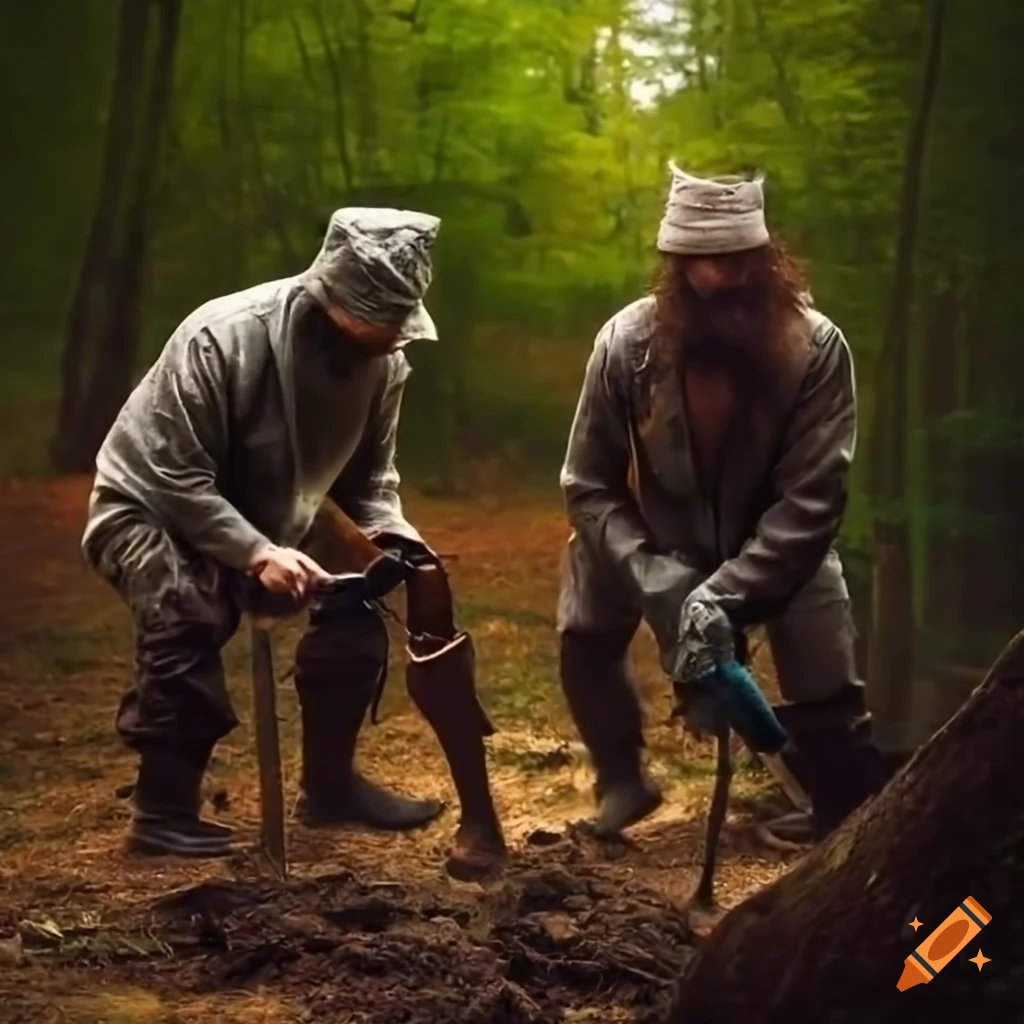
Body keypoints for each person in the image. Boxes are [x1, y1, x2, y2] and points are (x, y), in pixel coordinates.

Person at [82, 208, 506, 880]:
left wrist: (392, 541)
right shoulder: (222, 338)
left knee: (353, 605)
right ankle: (162, 811)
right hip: (149, 509)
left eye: (398, 322)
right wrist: (255, 554)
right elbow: (174, 477)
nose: (391, 338)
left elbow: (370, 483)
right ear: (328, 300)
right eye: (375, 318)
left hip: (288, 514)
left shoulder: (386, 365)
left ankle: (330, 787)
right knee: (187, 604)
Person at [556, 164, 887, 844]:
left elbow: (812, 501)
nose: (722, 278)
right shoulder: (625, 344)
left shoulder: (817, 349)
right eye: (703, 262)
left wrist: (725, 595)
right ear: (676, 266)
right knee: (586, 595)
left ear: (766, 261)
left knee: (819, 621)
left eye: (738, 260)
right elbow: (588, 484)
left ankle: (839, 802)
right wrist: (661, 581)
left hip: (775, 548)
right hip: (656, 542)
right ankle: (622, 781)